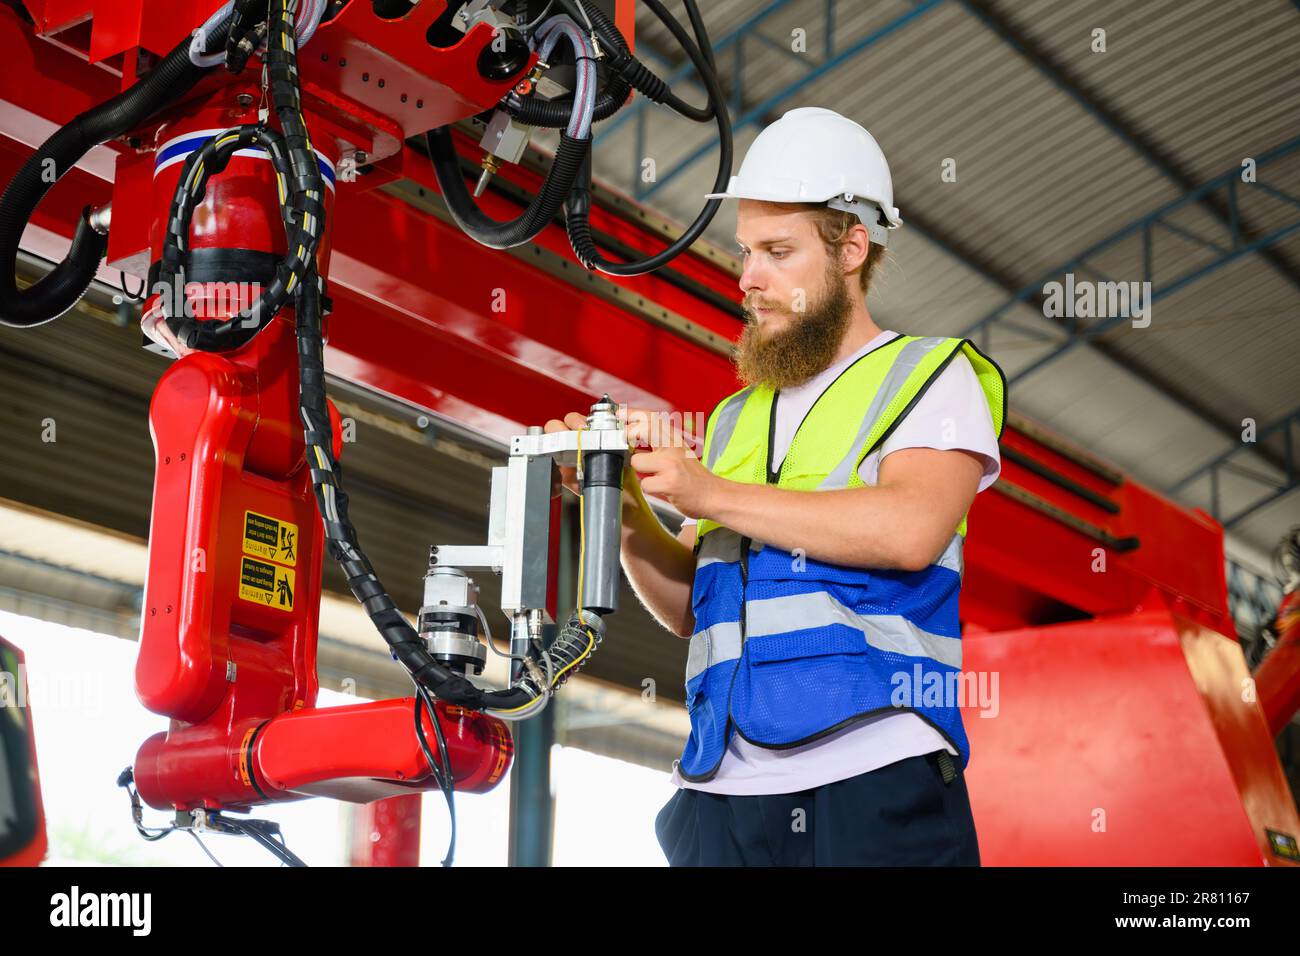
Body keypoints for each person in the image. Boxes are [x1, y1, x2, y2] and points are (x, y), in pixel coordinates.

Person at [545, 107, 1006, 866]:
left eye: (778, 252)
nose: (748, 278)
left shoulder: (929, 376)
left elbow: (910, 530)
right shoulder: (735, 420)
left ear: (852, 248)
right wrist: (623, 506)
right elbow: (696, 610)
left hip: (870, 779)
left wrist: (708, 494)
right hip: (719, 792)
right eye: (746, 251)